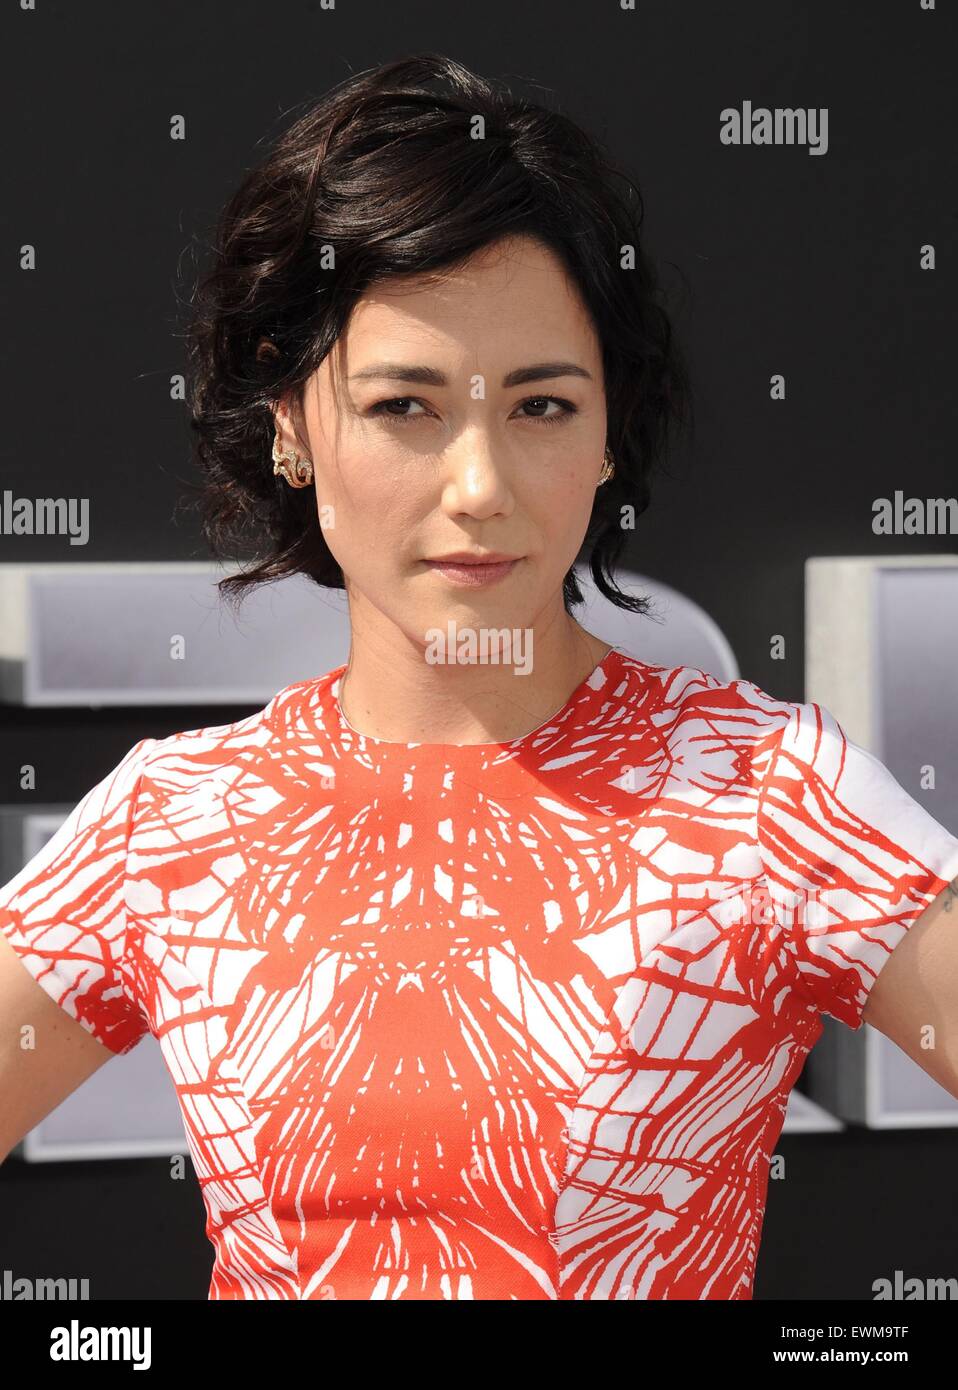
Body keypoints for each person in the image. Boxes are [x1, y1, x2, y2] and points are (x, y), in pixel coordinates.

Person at [2, 52, 957, 1302]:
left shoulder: (765, 795)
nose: (480, 486)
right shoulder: (173, 822)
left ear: (611, 428)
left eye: (542, 407)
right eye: (404, 406)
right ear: (290, 425)